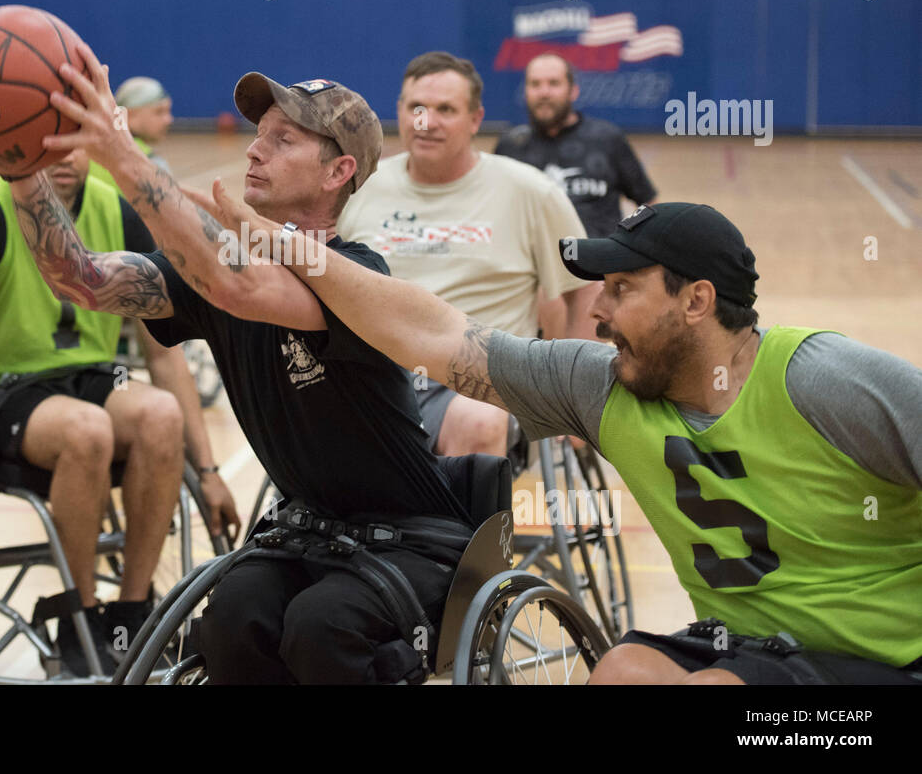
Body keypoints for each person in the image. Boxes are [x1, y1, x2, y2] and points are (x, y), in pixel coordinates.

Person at [209, 190, 922, 685]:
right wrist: (293, 251)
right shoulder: (600, 384)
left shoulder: (822, 380)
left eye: (622, 289)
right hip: (754, 655)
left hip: (883, 664)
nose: (599, 311)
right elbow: (432, 333)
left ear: (697, 301)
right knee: (619, 670)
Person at [6, 44, 474, 684]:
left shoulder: (357, 273)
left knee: (322, 627)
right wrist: (19, 165)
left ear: (338, 172)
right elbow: (82, 282)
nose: (256, 150)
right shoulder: (218, 270)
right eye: (259, 136)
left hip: (412, 537)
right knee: (231, 619)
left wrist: (121, 152)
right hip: (308, 532)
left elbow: (241, 287)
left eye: (283, 140)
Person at [0, 148, 237, 676]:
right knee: (88, 430)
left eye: (73, 138)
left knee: (159, 415)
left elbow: (164, 355)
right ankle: (75, 621)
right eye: (43, 140)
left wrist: (208, 471)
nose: (61, 154)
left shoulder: (116, 209)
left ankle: (133, 616)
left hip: (89, 377)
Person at [337, 51, 598, 458]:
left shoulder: (530, 192)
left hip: (481, 383)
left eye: (446, 109)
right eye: (417, 107)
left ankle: (454, 523)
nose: (428, 122)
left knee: (479, 421)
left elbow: (584, 290)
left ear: (476, 119)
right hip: (374, 378)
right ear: (399, 112)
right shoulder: (360, 187)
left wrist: (572, 399)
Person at [496, 53, 657, 239]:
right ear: (525, 91)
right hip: (533, 265)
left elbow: (649, 203)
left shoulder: (607, 139)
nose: (544, 92)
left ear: (573, 91)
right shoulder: (510, 146)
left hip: (600, 263)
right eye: (535, 84)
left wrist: (632, 249)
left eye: (554, 83)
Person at [88, 76, 175, 189]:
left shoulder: (86, 155)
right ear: (129, 114)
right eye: (159, 112)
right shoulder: (152, 164)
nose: (169, 120)